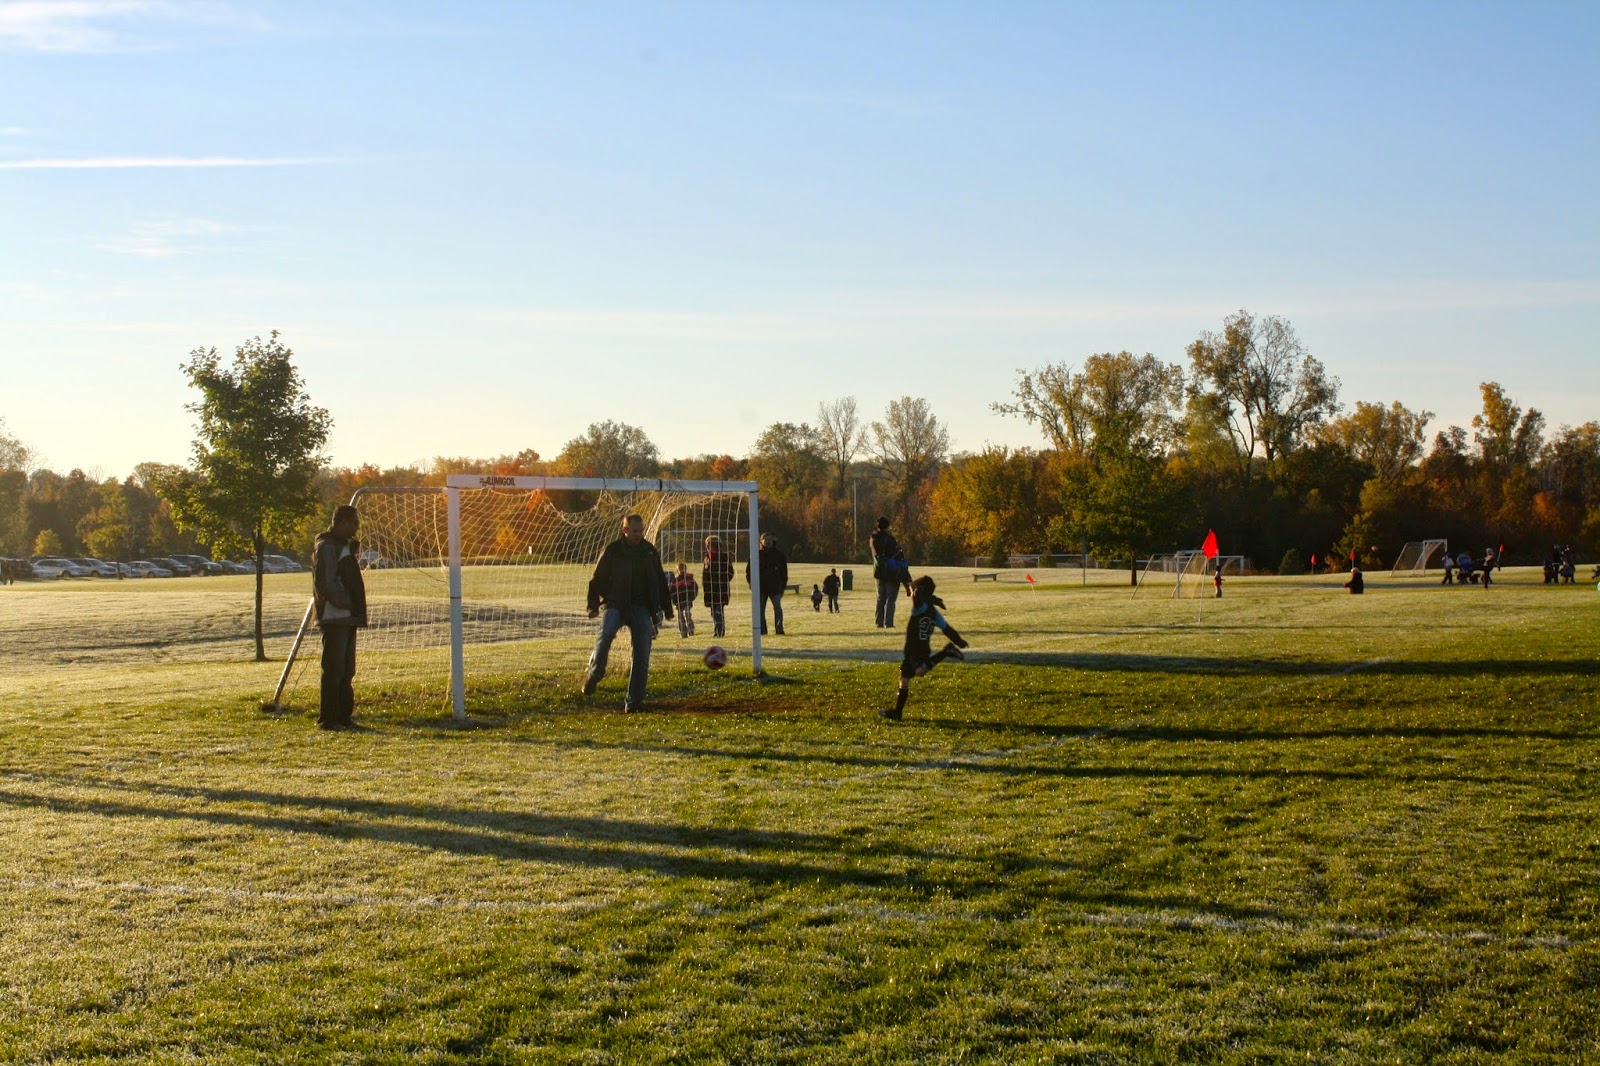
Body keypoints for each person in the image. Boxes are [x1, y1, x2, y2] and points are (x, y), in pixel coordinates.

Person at [582, 513, 672, 712]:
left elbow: (659, 580)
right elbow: (597, 579)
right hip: (615, 605)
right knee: (605, 635)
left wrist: (667, 608)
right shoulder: (613, 550)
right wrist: (593, 605)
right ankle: (595, 675)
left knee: (642, 652)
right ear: (625, 530)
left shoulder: (649, 551)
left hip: (640, 608)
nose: (638, 534)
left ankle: (634, 702)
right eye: (634, 531)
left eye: (641, 531)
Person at [878, 576, 969, 721]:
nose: (910, 592)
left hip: (917, 649)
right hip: (914, 649)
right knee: (904, 679)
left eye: (913, 590)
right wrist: (959, 641)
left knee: (919, 672)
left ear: (919, 591)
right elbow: (947, 629)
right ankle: (897, 713)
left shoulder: (919, 607)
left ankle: (946, 651)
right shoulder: (933, 611)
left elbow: (917, 598)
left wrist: (917, 591)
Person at [312, 504, 368, 731]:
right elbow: (327, 582)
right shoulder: (327, 547)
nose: (357, 528)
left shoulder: (342, 546)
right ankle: (329, 719)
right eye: (354, 523)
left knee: (346, 670)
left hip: (347, 617)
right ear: (342, 522)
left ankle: (344, 717)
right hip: (335, 617)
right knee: (334, 670)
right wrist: (346, 604)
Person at [745, 532, 788, 635]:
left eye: (770, 539)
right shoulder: (756, 555)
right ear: (761, 541)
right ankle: (762, 631)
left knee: (777, 608)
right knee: (760, 610)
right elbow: (749, 571)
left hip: (775, 587)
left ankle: (779, 629)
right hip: (761, 587)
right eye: (766, 540)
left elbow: (784, 573)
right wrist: (752, 584)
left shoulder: (779, 555)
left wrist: (782, 586)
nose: (768, 542)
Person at [869, 517, 902, 628]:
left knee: (880, 598)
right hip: (890, 572)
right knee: (890, 598)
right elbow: (895, 553)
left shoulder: (873, 539)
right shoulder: (890, 539)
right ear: (887, 527)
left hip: (878, 572)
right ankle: (888, 623)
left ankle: (879, 622)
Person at [701, 534, 734, 639]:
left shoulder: (724, 556)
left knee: (718, 610)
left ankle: (719, 631)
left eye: (708, 544)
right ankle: (717, 630)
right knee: (713, 611)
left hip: (720, 589)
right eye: (706, 544)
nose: (707, 546)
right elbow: (705, 573)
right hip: (710, 590)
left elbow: (730, 572)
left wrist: (721, 581)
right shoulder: (706, 557)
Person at [670, 561, 698, 638]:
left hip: (687, 601)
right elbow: (672, 592)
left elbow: (695, 589)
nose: (682, 570)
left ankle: (691, 629)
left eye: (683, 569)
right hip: (678, 602)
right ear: (677, 570)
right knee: (680, 617)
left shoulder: (690, 579)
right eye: (680, 569)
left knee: (687, 614)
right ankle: (683, 633)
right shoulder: (675, 581)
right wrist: (674, 601)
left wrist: (691, 597)